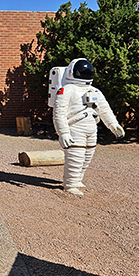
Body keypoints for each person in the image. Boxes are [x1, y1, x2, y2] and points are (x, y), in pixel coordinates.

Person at [53, 58, 125, 195]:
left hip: (91, 128)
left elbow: (104, 110)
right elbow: (59, 113)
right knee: (76, 155)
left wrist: (113, 125)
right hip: (75, 128)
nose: (86, 73)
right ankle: (70, 184)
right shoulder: (66, 90)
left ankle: (77, 179)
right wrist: (63, 133)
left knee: (87, 155)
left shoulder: (94, 91)